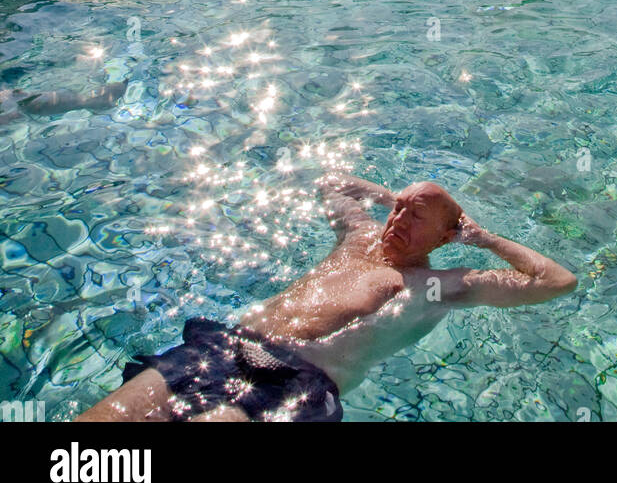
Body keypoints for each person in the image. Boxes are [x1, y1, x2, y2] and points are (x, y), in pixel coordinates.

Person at [74, 174, 577, 423]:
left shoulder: (441, 284)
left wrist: (483, 237)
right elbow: (333, 182)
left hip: (290, 382)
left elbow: (556, 281)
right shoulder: (358, 239)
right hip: (223, 349)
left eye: (414, 219)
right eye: (398, 211)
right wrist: (398, 199)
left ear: (446, 237)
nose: (397, 223)